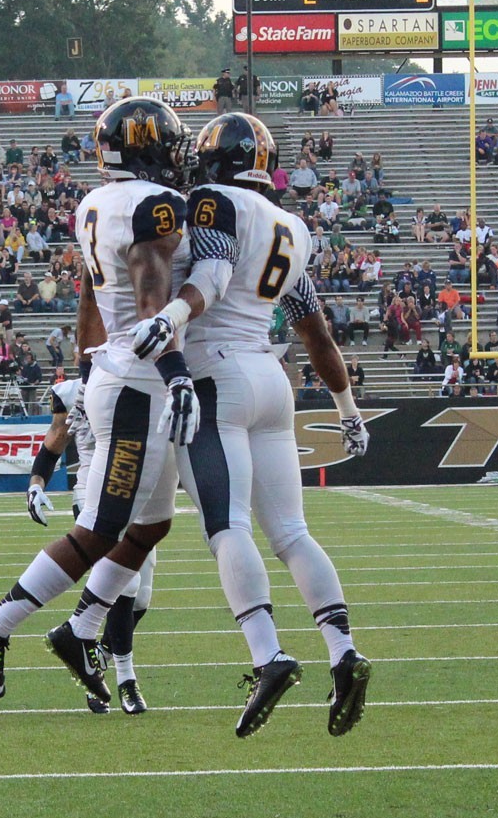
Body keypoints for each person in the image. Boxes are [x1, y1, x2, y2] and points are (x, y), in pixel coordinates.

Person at [123, 112, 373, 737]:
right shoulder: (295, 229)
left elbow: (213, 274)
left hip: (217, 374)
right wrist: (348, 412)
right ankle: (343, 651)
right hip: (271, 378)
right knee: (291, 531)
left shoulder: (210, 202)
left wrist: (171, 313)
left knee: (226, 526)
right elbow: (315, 333)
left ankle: (267, 654)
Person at [0, 97, 199, 707]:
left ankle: (81, 628)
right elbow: (148, 302)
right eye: (167, 144)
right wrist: (172, 371)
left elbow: (98, 294)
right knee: (101, 527)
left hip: (119, 370)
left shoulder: (96, 203)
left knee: (153, 524)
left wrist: (92, 364)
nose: (176, 154)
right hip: (140, 379)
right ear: (148, 146)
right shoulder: (154, 205)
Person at [25, 374, 153, 715]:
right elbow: (55, 440)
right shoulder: (70, 391)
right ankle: (127, 680)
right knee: (129, 582)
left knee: (141, 597)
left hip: (142, 493)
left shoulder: (144, 379)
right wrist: (36, 483)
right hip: (95, 496)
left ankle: (93, 660)